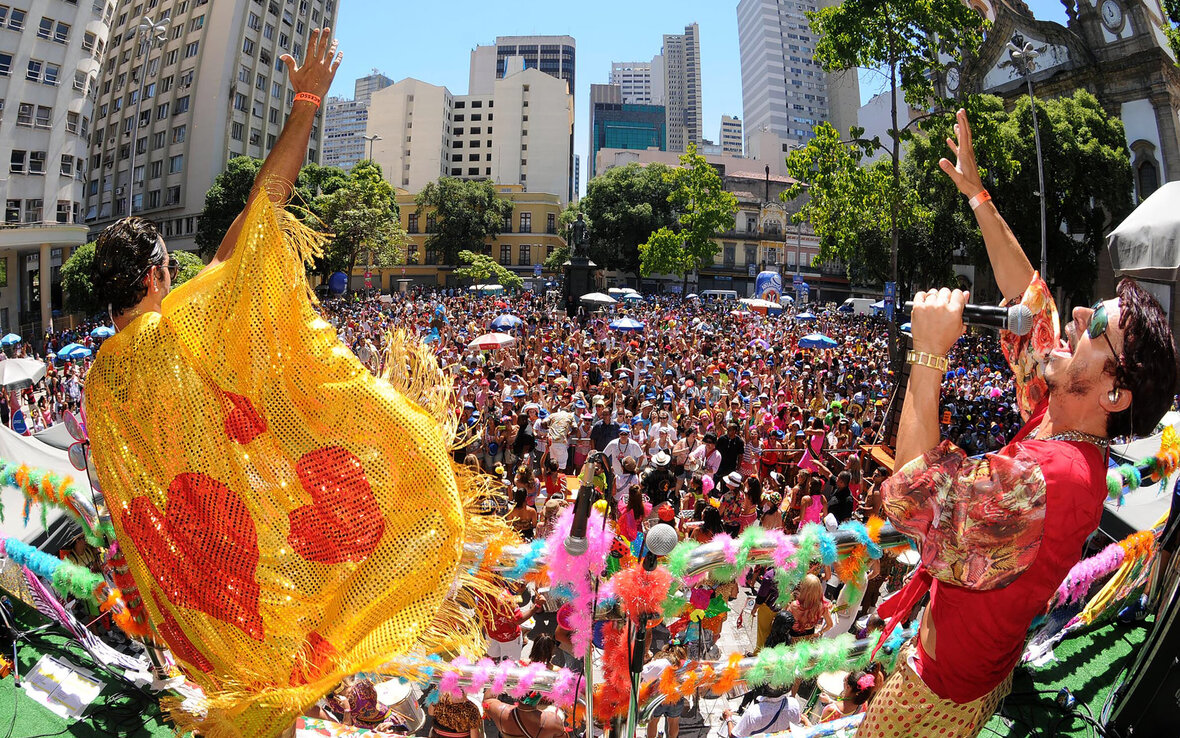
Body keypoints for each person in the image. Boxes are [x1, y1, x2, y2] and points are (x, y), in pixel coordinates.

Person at [82, 30, 515, 737]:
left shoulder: (100, 380)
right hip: (257, 584)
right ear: (159, 274)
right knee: (281, 696)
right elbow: (261, 215)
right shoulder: (181, 327)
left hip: (197, 605)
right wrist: (307, 102)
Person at [858, 109, 1178, 738]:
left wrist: (926, 356)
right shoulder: (1067, 423)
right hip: (972, 667)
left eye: (1094, 327)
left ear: (1113, 392)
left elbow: (910, 494)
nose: (1077, 313)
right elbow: (1030, 297)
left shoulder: (1056, 474)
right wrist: (979, 197)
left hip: (937, 697)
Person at [642, 644, 688, 738]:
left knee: (653, 721)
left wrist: (648, 661)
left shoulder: (660, 662)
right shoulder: (685, 664)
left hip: (658, 698)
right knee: (674, 722)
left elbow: (643, 672)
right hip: (676, 698)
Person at [722, 686, 809, 736]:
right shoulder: (793, 704)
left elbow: (734, 737)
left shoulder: (753, 712)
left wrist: (728, 718)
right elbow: (792, 725)